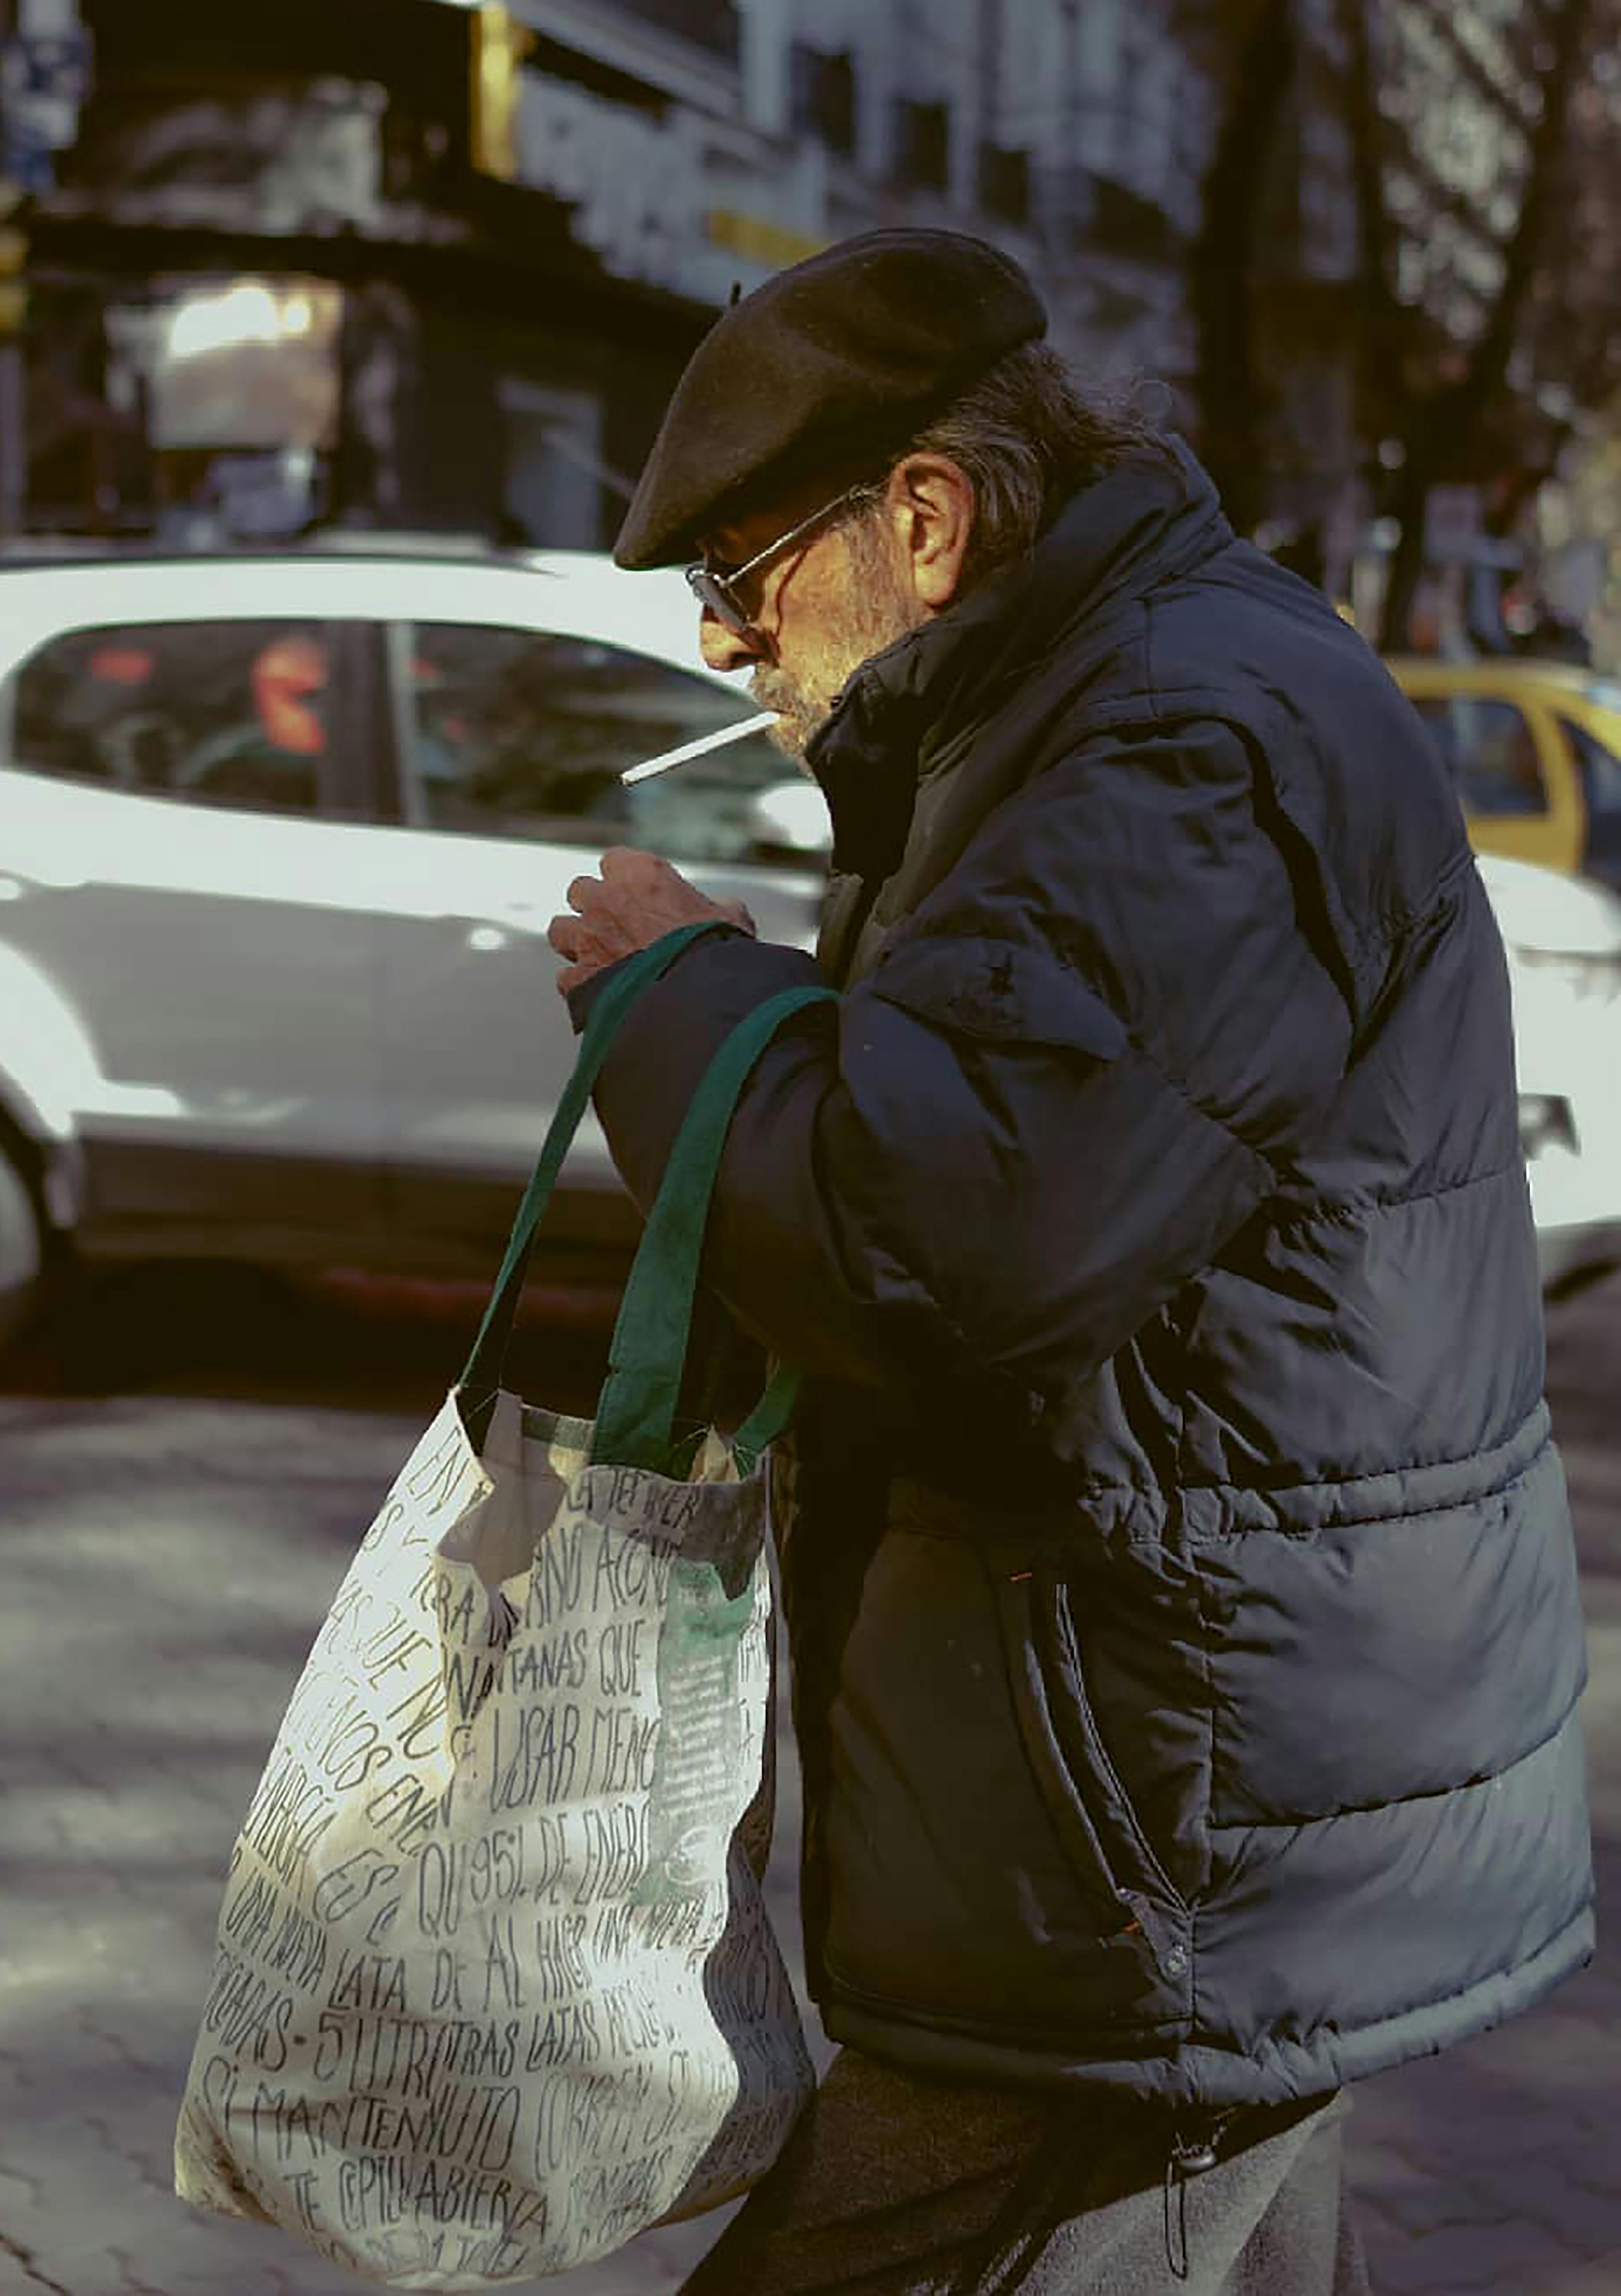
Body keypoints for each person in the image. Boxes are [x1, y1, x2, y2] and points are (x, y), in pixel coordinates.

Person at [544, 231, 1594, 2294]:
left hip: (1153, 1824)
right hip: (1185, 1794)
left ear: (919, 521)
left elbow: (943, 1245)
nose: (730, 647)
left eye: (739, 582)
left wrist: (673, 1006)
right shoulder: (1116, 692)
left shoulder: (1175, 743)